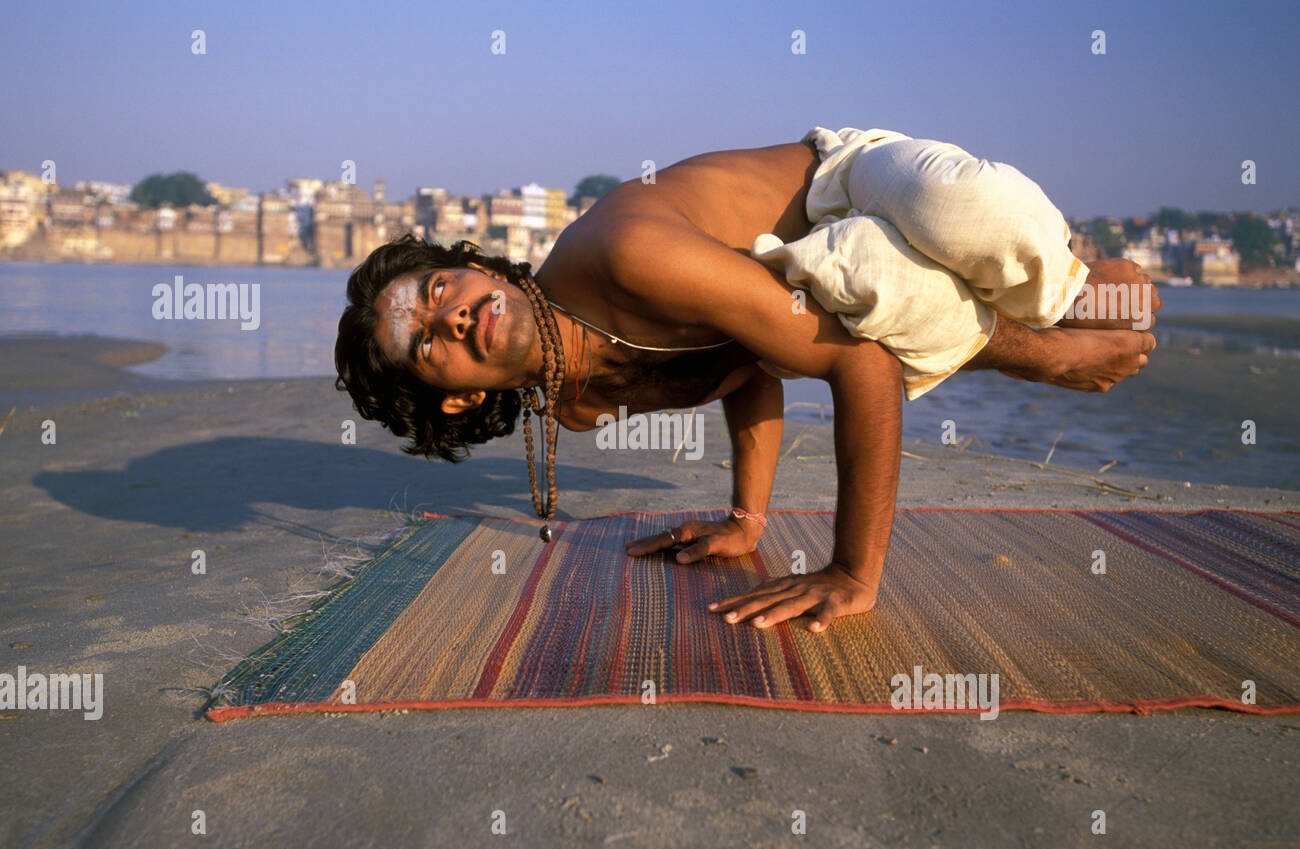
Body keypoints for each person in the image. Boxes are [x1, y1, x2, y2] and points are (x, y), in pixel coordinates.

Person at [335, 126, 1161, 632]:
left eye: (440, 288)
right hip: (825, 270)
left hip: (842, 179)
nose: (451, 316)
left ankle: (1078, 297)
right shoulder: (576, 406)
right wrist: (747, 517)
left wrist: (852, 572)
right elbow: (742, 369)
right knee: (873, 286)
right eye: (427, 342)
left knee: (967, 216)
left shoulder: (626, 258)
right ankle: (1053, 332)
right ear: (458, 397)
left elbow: (856, 362)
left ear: (477, 267)